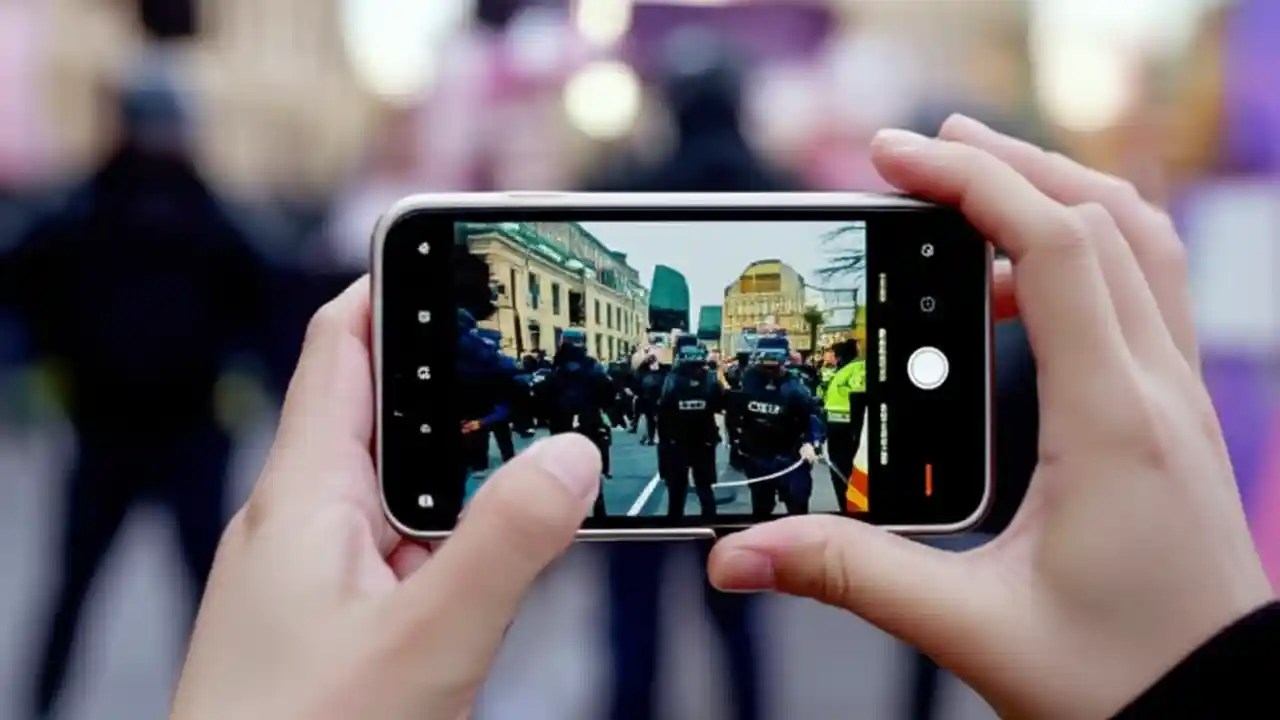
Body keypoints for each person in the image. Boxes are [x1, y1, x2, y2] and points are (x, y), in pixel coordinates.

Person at [168, 124, 1277, 720]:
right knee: (738, 618)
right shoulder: (752, 201)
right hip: (732, 484)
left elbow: (673, 381)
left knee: (641, 638)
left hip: (683, 476)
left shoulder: (653, 194)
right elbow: (731, 387)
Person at [0, 56, 269, 718]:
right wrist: (30, 367)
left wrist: (247, 375)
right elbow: (20, 288)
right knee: (73, 589)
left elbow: (267, 299)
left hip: (190, 437)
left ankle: (222, 706)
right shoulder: (83, 210)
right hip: (105, 434)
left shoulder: (210, 217)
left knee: (209, 596)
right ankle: (40, 704)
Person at [733, 337, 825, 517]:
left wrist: (811, 442)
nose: (768, 368)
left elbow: (814, 416)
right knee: (760, 510)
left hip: (790, 456)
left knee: (797, 507)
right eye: (764, 362)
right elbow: (736, 411)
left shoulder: (796, 386)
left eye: (773, 363)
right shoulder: (749, 380)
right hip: (758, 456)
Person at [536, 327, 614, 515]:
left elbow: (542, 395)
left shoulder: (555, 367)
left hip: (561, 424)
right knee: (595, 465)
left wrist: (545, 415)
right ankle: (599, 510)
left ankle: (563, 511)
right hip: (589, 421)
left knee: (561, 470)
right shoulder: (592, 367)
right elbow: (608, 392)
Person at [656, 340, 724, 517]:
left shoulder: (672, 380)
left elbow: (662, 415)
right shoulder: (709, 380)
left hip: (686, 442)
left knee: (683, 492)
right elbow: (720, 406)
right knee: (698, 490)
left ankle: (678, 527)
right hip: (693, 442)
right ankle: (706, 524)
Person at [822, 340, 868, 511]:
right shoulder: (862, 367)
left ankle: (847, 507)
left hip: (840, 428)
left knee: (842, 473)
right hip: (861, 427)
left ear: (839, 356)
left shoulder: (845, 372)